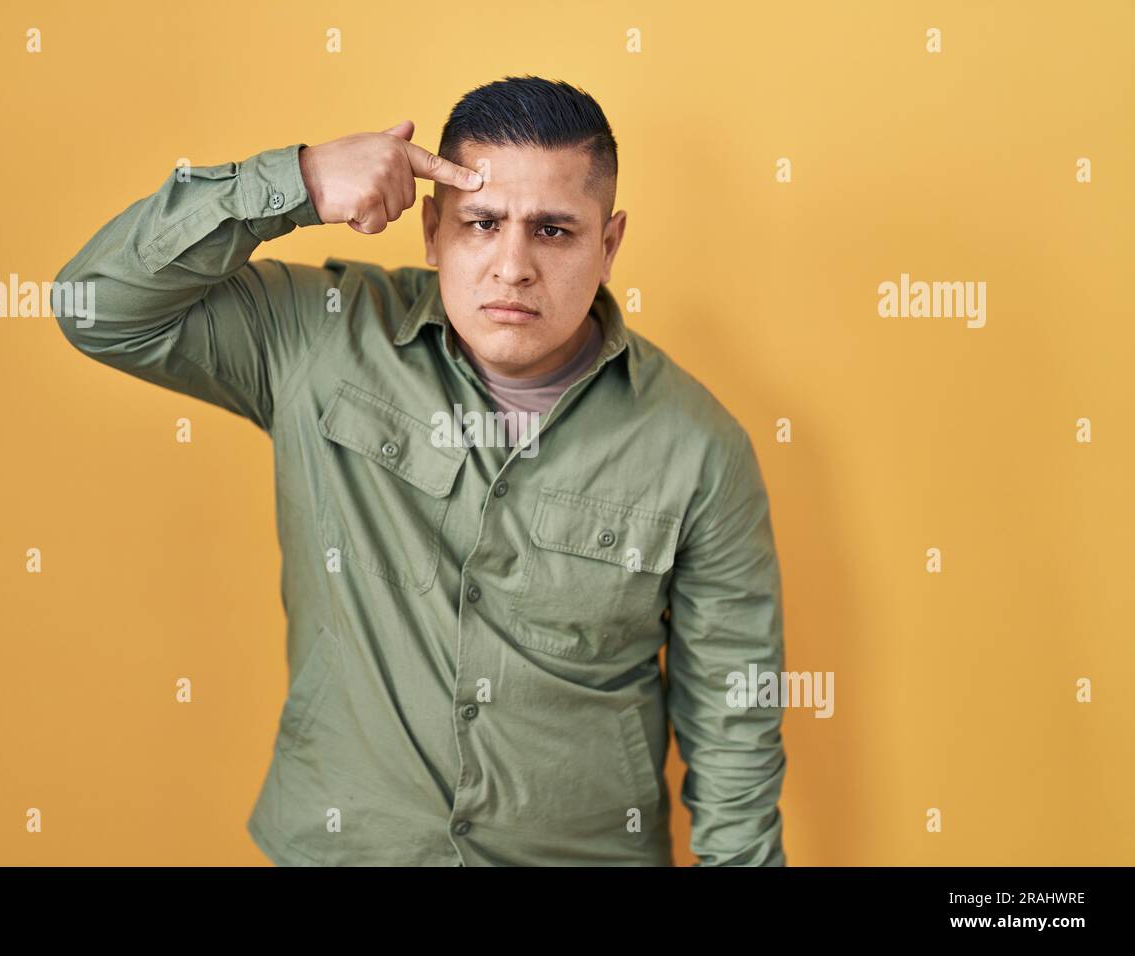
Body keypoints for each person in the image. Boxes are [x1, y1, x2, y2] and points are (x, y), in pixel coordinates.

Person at [52, 75, 788, 866]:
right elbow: (96, 304)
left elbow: (733, 722)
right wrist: (293, 181)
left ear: (607, 246)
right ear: (432, 229)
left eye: (553, 231)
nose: (513, 267)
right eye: (482, 222)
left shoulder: (699, 447)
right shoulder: (320, 342)